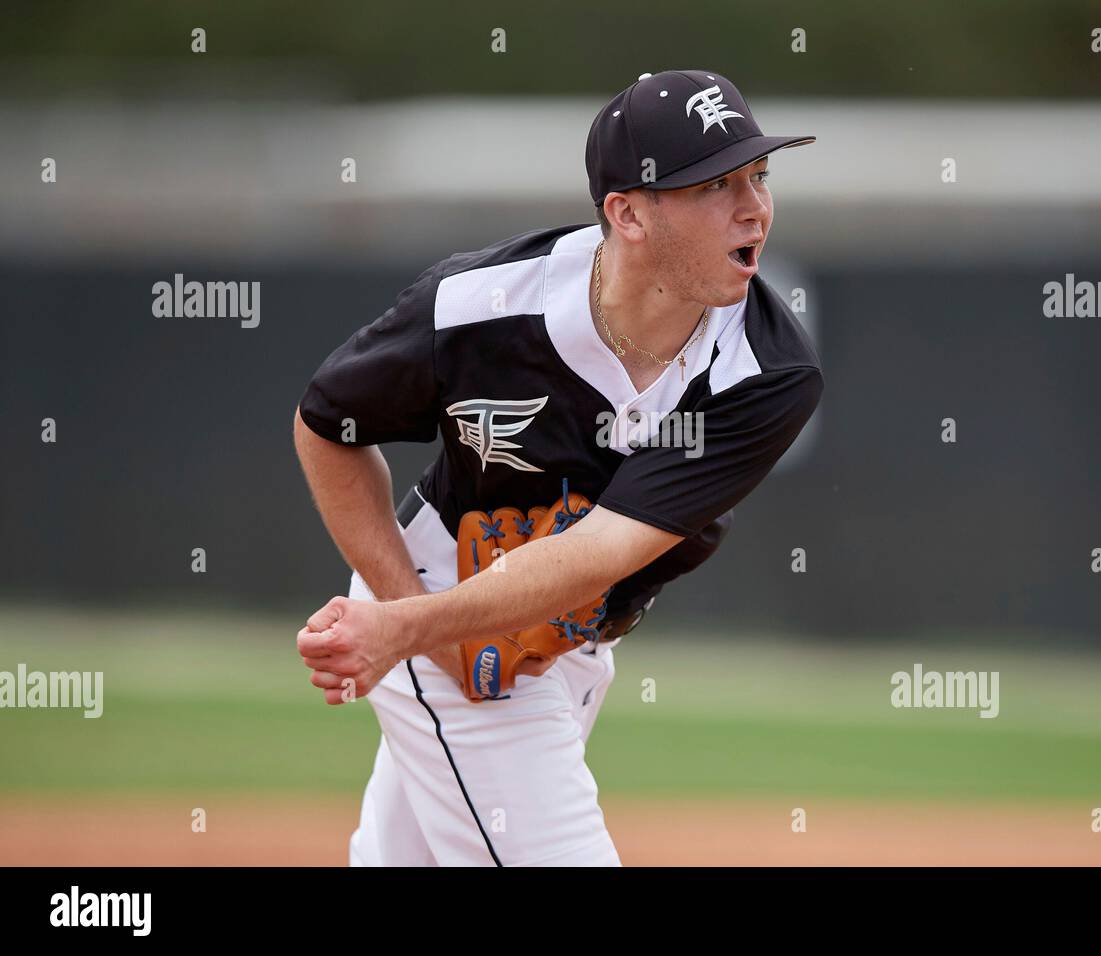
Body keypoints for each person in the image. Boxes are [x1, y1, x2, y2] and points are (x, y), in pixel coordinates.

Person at [293, 69, 822, 866]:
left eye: (759, 174)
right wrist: (412, 625)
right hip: (439, 604)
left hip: (566, 643)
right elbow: (325, 426)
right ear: (629, 214)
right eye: (716, 184)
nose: (754, 206)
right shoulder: (480, 307)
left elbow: (598, 554)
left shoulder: (765, 374)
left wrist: (398, 633)